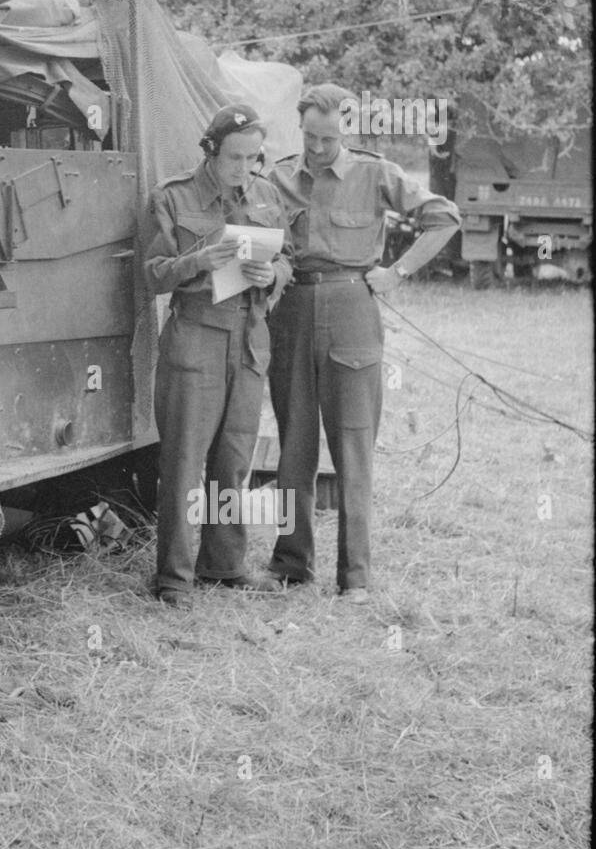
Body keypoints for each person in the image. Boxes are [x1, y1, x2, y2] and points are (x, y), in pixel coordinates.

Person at [266, 84, 461, 603]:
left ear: (347, 132)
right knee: (293, 446)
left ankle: (354, 576)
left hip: (353, 310)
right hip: (290, 312)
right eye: (310, 136)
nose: (317, 148)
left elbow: (444, 218)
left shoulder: (376, 173)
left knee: (352, 448)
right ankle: (290, 564)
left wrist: (398, 272)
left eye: (328, 139)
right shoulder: (279, 175)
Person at [144, 104, 294, 608]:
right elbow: (149, 273)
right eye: (235, 157)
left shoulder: (267, 193)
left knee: (234, 461)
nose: (244, 168)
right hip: (196, 336)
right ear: (210, 150)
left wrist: (273, 276)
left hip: (250, 337)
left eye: (254, 158)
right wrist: (195, 262)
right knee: (185, 461)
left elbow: (288, 259)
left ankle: (224, 565)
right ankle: (174, 578)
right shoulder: (172, 196)